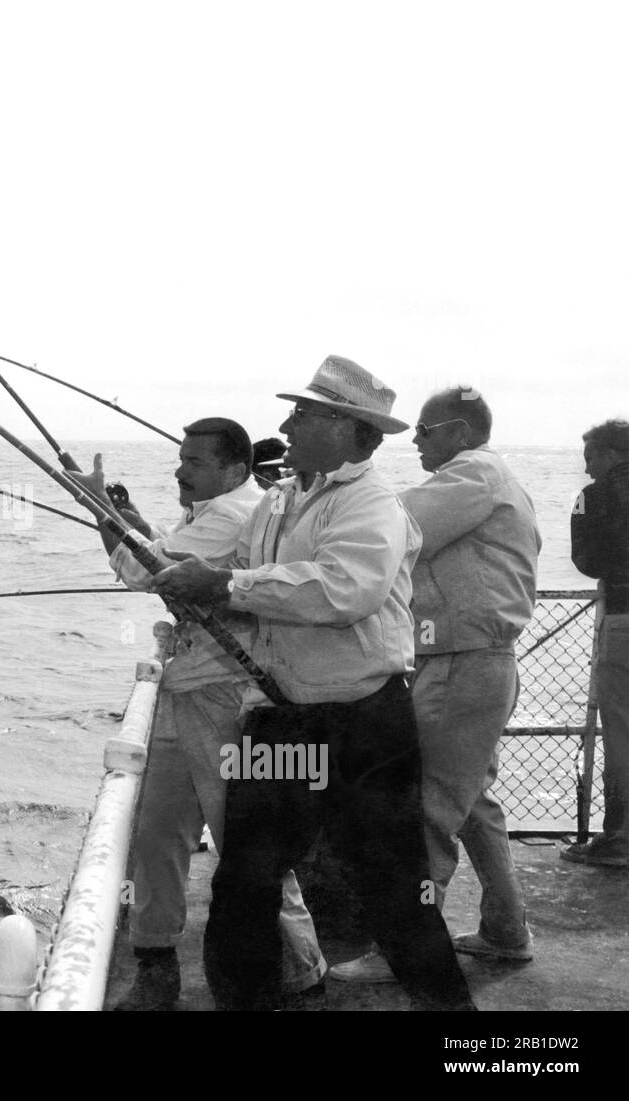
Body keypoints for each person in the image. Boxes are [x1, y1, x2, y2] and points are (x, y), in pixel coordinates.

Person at [153, 355, 475, 1011]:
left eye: (304, 412)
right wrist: (187, 578)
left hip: (364, 723)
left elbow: (343, 589)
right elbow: (237, 574)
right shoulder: (275, 500)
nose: (287, 422)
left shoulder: (373, 505)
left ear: (350, 427)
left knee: (395, 895)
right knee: (243, 883)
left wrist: (223, 586)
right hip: (279, 718)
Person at [72, 418, 326, 1010]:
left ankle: (299, 967)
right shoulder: (216, 509)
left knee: (244, 838)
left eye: (195, 462)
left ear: (235, 470)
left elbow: (147, 570)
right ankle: (155, 956)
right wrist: (120, 515)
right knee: (157, 827)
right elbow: (162, 551)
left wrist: (93, 507)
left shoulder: (238, 514)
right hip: (185, 686)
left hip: (224, 696)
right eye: (181, 458)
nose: (180, 470)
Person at [331, 387, 539, 984]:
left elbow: (393, 525)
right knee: (472, 804)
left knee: (425, 807)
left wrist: (324, 503)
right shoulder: (498, 479)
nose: (415, 440)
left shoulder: (473, 472)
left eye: (423, 430)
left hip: (457, 663)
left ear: (460, 431)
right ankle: (506, 929)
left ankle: (409, 949)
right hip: (479, 663)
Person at [565, 418, 629, 867]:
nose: (587, 469)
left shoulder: (595, 497)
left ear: (610, 456)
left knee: (622, 736)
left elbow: (587, 562)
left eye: (590, 458)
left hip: (625, 619)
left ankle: (620, 840)